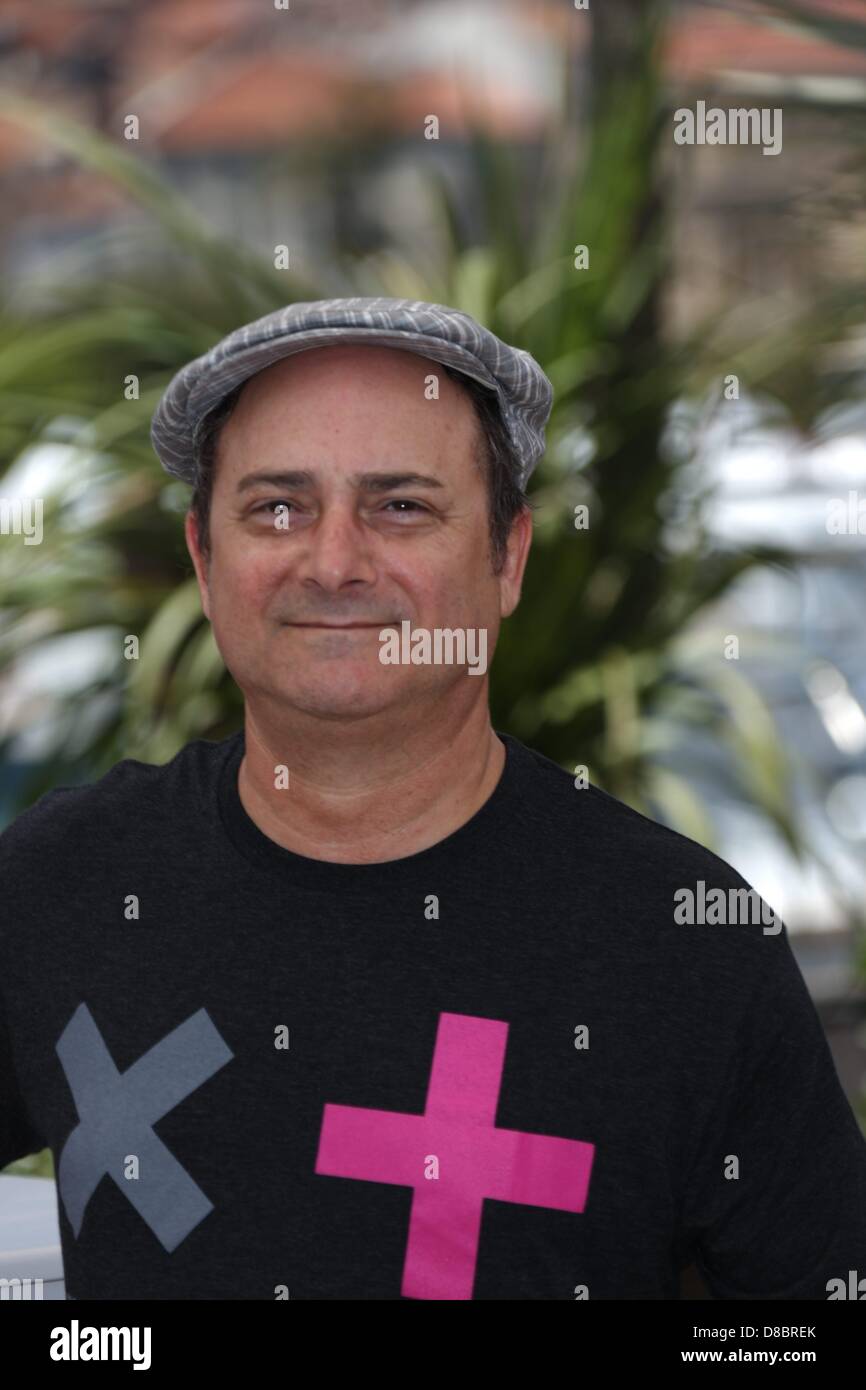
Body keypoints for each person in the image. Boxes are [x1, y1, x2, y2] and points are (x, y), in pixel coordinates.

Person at [1, 297, 864, 1301]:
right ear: (203, 559)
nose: (331, 562)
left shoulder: (682, 941)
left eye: (399, 505)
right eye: (275, 506)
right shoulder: (67, 882)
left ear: (506, 559)